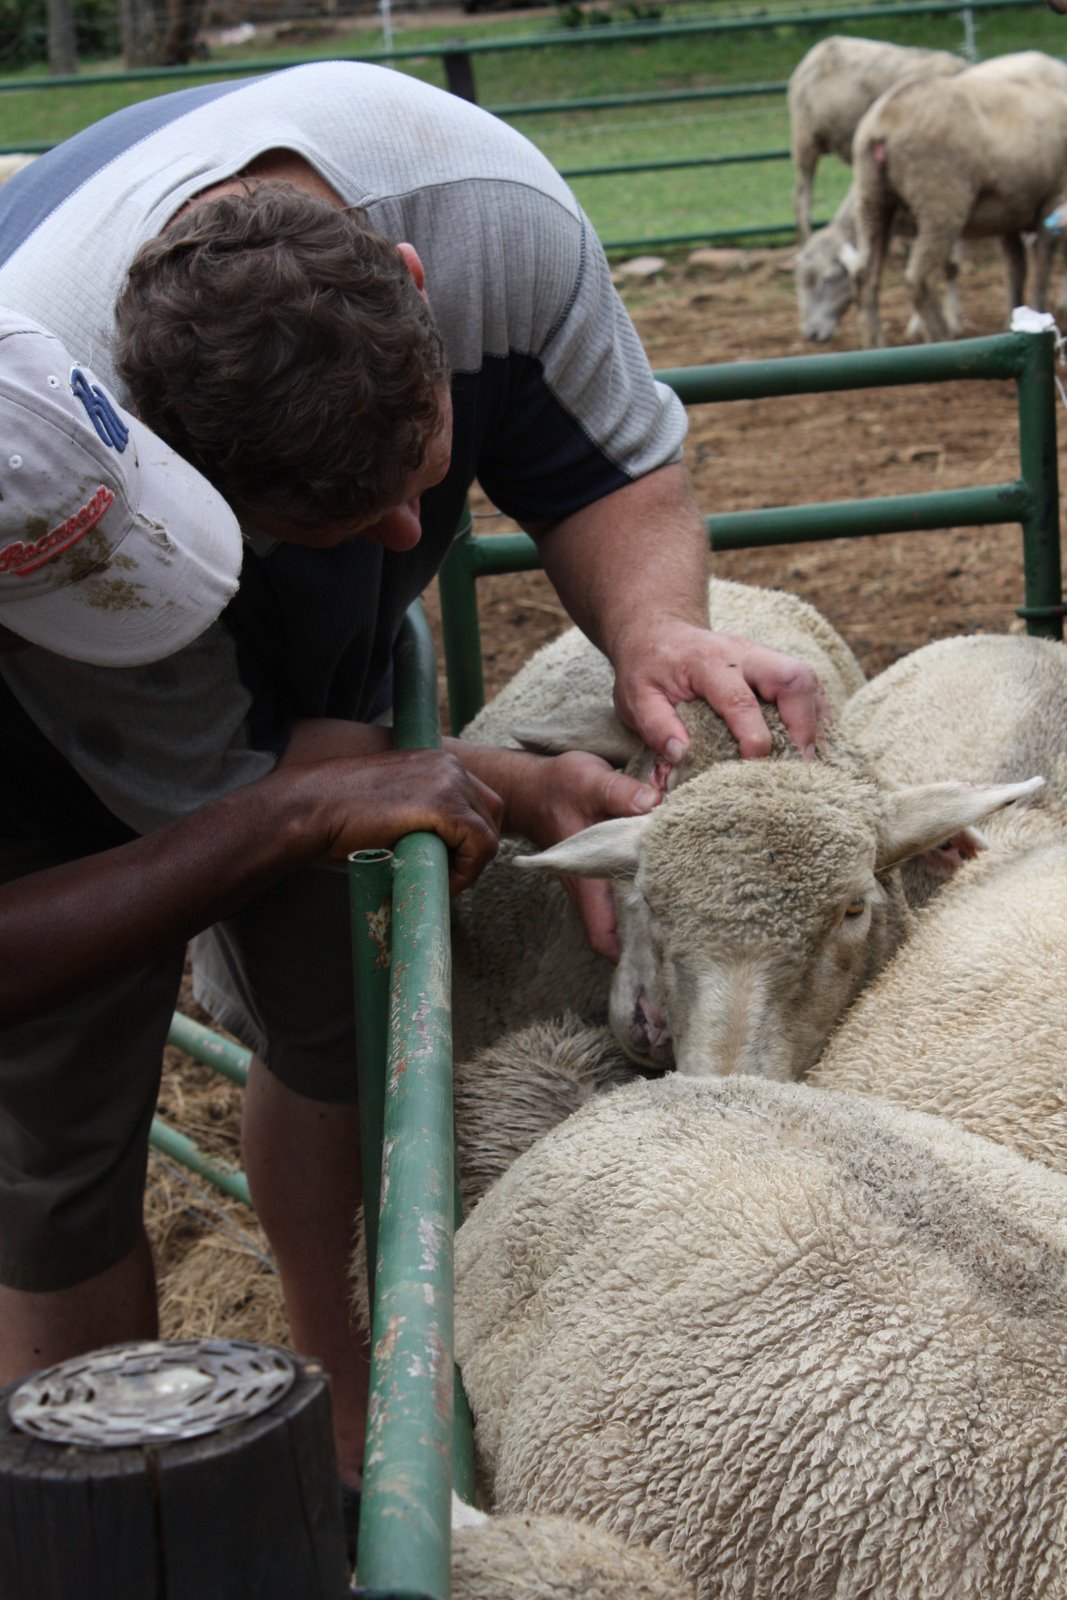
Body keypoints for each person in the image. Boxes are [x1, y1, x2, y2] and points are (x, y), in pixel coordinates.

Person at [0, 62, 828, 1499]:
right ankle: (97, 1507)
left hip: (186, 573)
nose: (409, 533)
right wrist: (456, 783)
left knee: (341, 992)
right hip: (53, 655)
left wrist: (653, 630)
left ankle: (351, 1428)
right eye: (338, 519)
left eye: (425, 469)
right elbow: (256, 803)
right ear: (173, 479)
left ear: (412, 284)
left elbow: (615, 469)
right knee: (56, 1136)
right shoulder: (52, 494)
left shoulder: (491, 217)